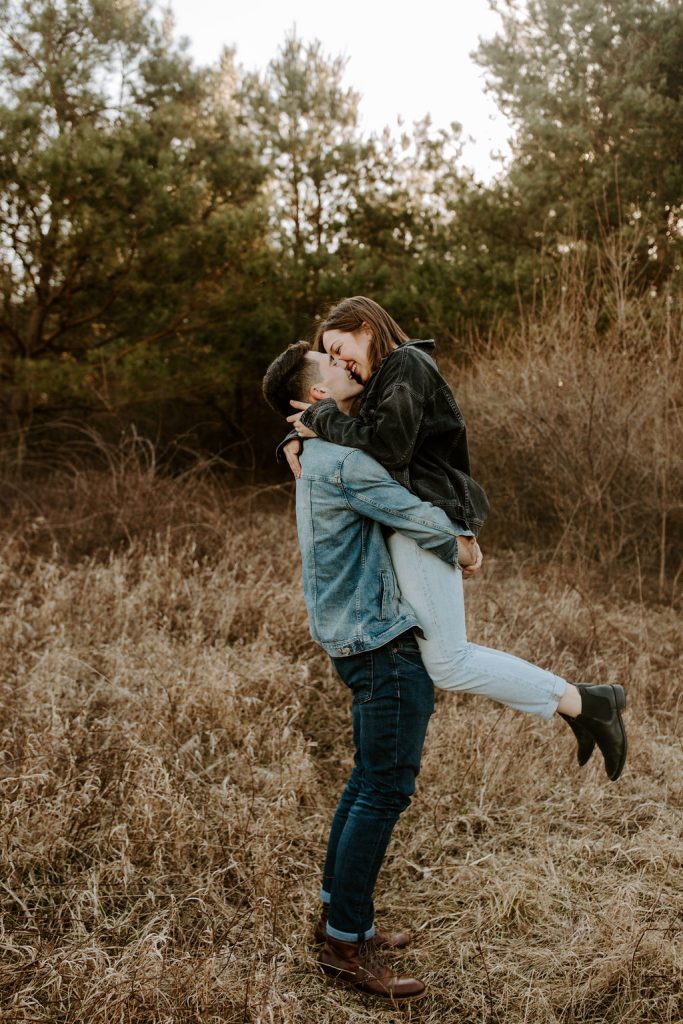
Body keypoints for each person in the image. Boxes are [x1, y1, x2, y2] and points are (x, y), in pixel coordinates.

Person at [283, 297, 628, 783]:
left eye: (340, 349)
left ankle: (588, 702)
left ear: (364, 327)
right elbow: (351, 426)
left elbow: (388, 444)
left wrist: (317, 422)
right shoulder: (384, 378)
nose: (340, 362)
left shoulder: (405, 364)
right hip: (415, 521)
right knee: (447, 662)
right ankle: (583, 703)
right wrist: (297, 433)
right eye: (332, 359)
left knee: (450, 663)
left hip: (430, 517)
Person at [262, 344, 483, 1002]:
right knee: (384, 789)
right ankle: (345, 945)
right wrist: (463, 545)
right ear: (312, 400)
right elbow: (408, 509)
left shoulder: (321, 449)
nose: (348, 366)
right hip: (378, 642)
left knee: (365, 782)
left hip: (351, 635)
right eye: (328, 365)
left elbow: (396, 355)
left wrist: (293, 436)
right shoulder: (344, 461)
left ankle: (338, 917)